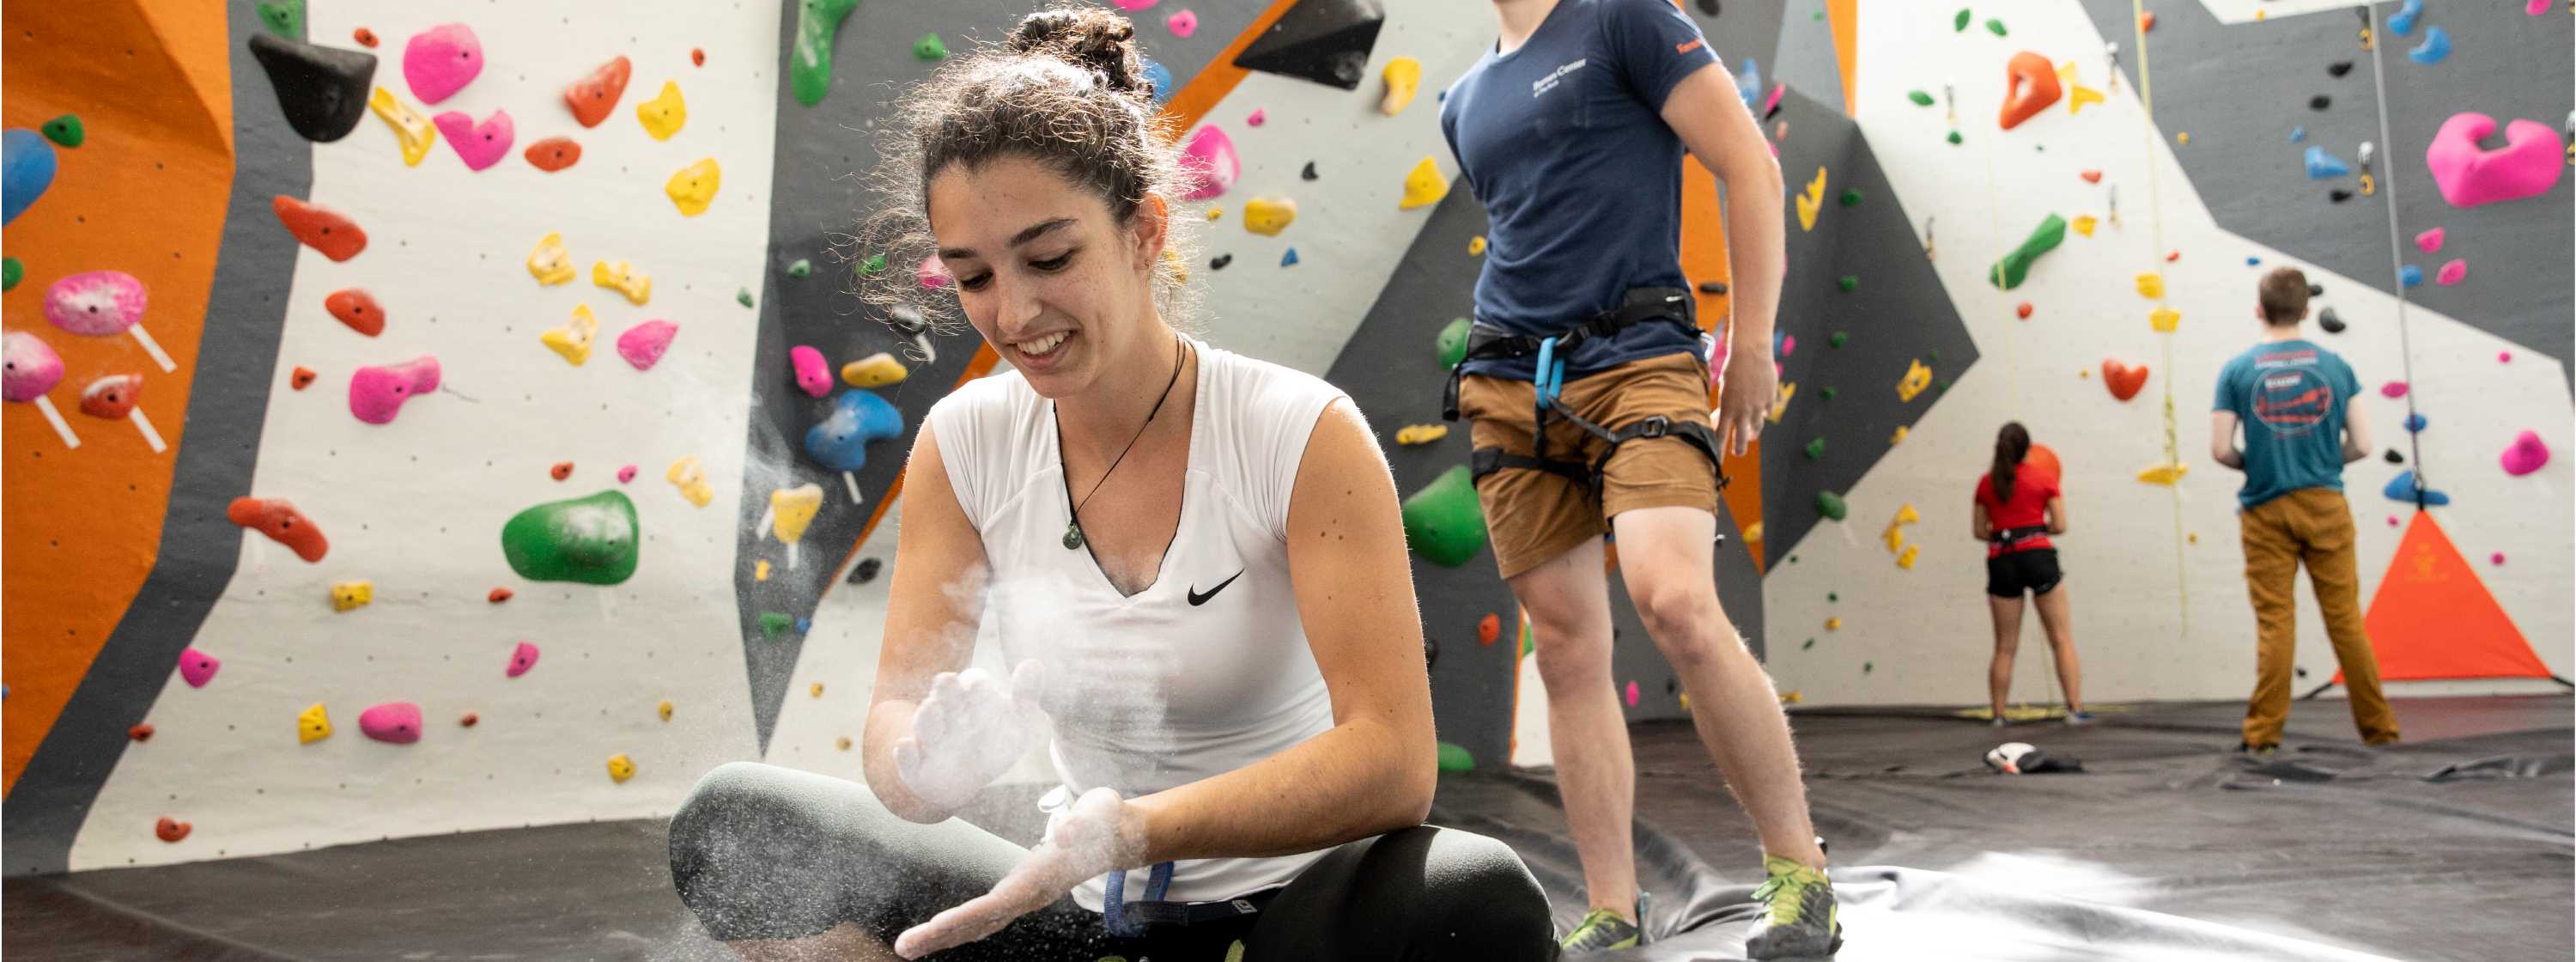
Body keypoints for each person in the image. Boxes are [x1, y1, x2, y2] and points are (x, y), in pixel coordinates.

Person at [665, 9, 1557, 959]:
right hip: (1083, 911)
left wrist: (1137, 829)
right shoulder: (964, 443)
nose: (1014, 312)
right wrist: (925, 769)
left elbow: (1393, 761)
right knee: (735, 820)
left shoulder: (1299, 432)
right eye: (973, 276)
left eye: (1050, 259)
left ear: (1144, 232)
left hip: (1292, 918)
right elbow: (895, 723)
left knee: (1470, 894)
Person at [1438, 0, 1839, 956]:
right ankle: (1614, 909)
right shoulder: (1461, 101)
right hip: (1508, 384)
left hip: (1639, 360)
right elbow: (1530, 227)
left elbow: (1751, 165)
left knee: (1677, 604)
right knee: (1566, 650)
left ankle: (1801, 875)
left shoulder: (1624, 18)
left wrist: (1751, 345)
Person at [2210, 267, 2401, 757]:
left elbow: (2220, 450)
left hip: (2265, 508)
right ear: (2307, 310)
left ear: (2259, 310)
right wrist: (2322, 461)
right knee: (2346, 621)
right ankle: (2380, 731)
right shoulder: (2336, 367)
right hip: (2325, 505)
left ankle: (2263, 736)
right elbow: (2362, 445)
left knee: (2276, 622)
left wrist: (2259, 462)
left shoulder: (2236, 371)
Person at [1971, 423, 2090, 726]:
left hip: (2002, 561)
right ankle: (2074, 710)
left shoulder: (1987, 483)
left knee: (2004, 647)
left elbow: (1980, 531)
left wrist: (2006, 533)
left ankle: (1999, 714)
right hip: (2038, 558)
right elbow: (2060, 525)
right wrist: (2036, 528)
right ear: (2027, 449)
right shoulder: (2044, 478)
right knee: (2061, 639)